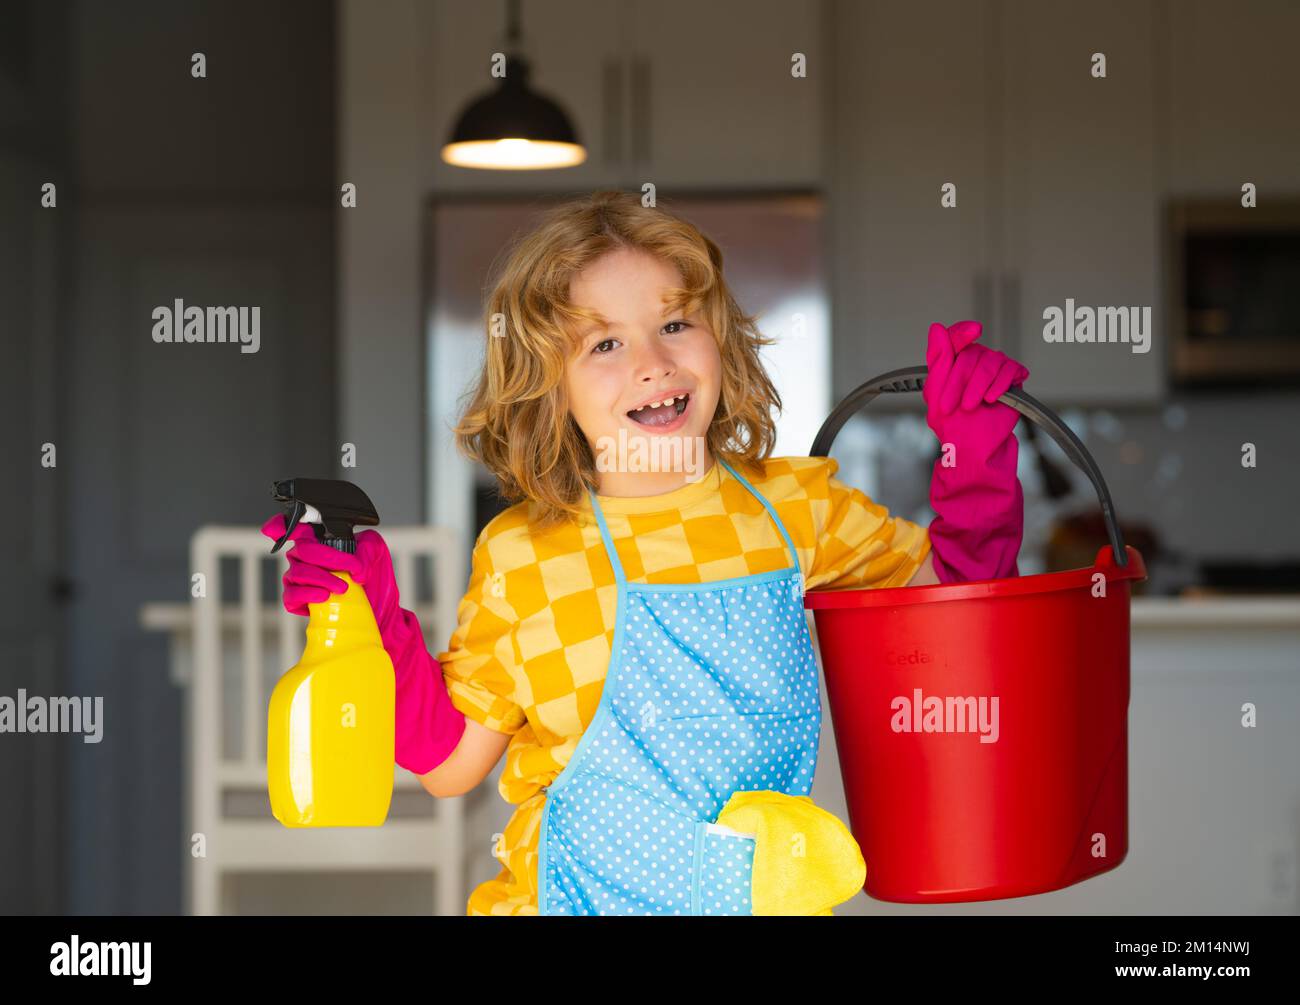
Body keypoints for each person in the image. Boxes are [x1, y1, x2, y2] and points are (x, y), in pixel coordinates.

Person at [262, 190, 1028, 915]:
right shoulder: (524, 552)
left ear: (720, 340)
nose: (652, 362)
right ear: (551, 388)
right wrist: (372, 614)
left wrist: (975, 463)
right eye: (604, 342)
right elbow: (449, 761)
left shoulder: (799, 508)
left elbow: (957, 603)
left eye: (675, 324)